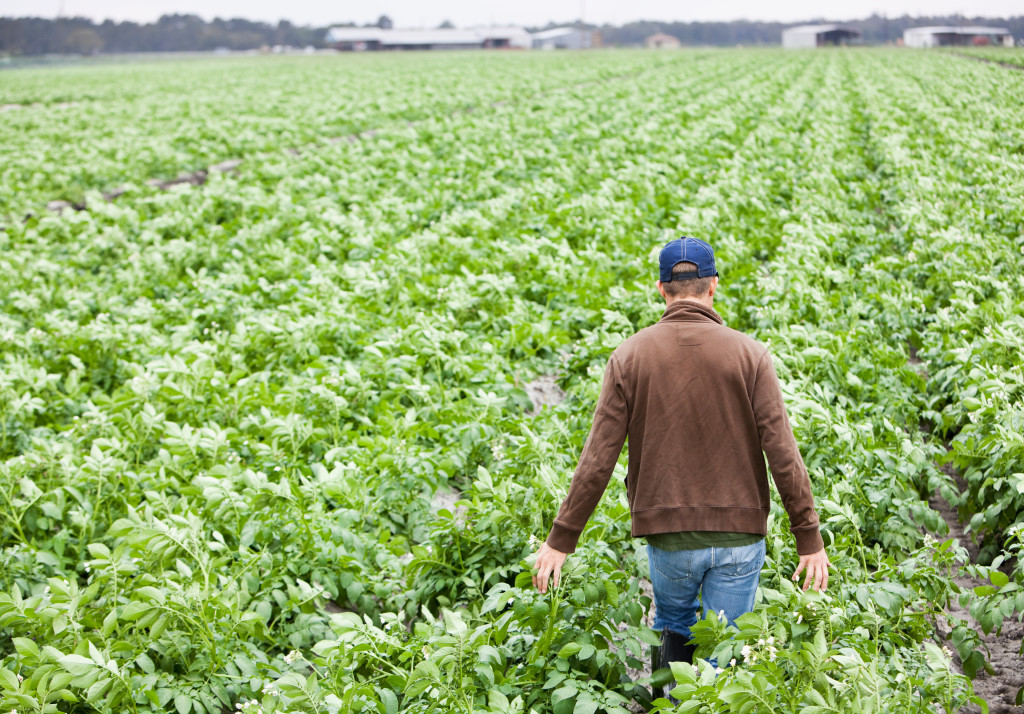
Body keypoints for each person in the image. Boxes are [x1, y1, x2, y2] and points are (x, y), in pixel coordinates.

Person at [532, 236, 831, 677]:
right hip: (738, 536)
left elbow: (598, 458)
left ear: (661, 289)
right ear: (713, 286)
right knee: (724, 647)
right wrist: (809, 536)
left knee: (673, 625)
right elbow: (782, 452)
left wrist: (561, 538)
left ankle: (668, 703)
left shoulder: (628, 357)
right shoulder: (751, 355)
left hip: (668, 536)